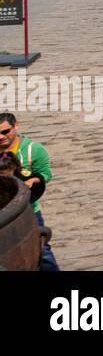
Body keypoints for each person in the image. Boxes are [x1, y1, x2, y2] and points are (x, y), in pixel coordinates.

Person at [1, 112, 57, 270]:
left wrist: (35, 180)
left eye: (5, 131)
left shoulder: (34, 150)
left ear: (15, 126)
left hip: (28, 212)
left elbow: (46, 173)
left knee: (41, 252)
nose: (1, 136)